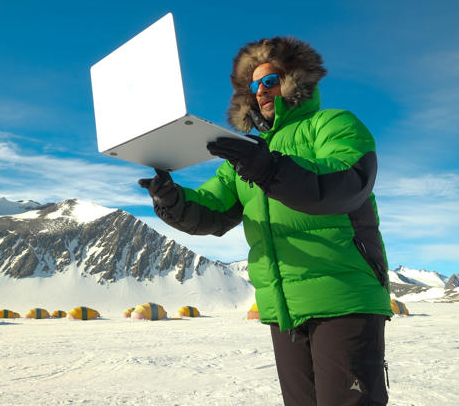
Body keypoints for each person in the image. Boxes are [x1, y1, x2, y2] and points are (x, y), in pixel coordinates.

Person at [139, 36, 391, 405]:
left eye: (269, 81)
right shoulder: (245, 158)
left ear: (295, 81)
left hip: (344, 299)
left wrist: (268, 168)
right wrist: (171, 198)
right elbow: (210, 210)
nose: (259, 92)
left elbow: (343, 183)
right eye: (252, 86)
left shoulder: (333, 124)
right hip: (282, 310)